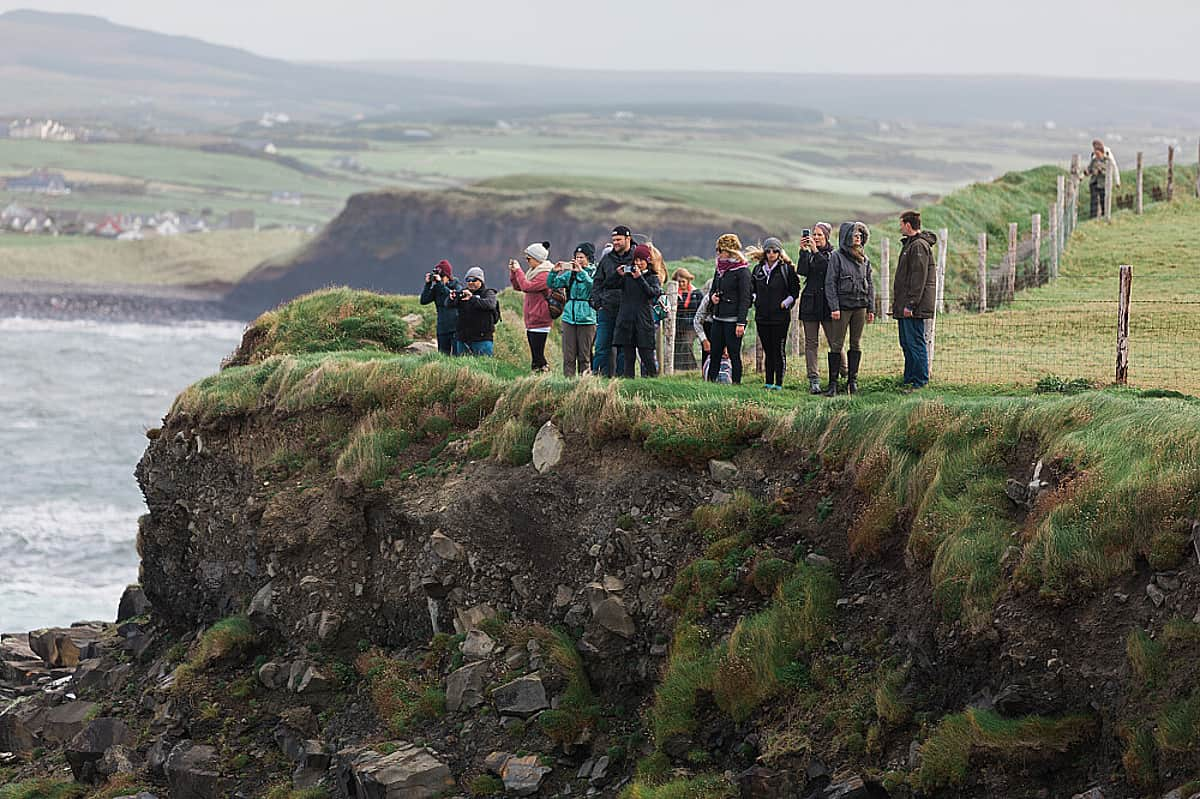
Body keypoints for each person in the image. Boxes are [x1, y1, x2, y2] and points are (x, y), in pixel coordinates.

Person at [824, 222, 875, 395]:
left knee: (856, 343)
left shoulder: (865, 259)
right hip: (842, 308)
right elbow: (830, 283)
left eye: (860, 235)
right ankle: (833, 384)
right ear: (846, 236)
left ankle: (852, 382)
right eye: (855, 234)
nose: (858, 237)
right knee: (836, 344)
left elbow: (871, 284)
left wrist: (871, 308)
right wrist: (834, 307)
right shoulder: (836, 257)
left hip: (860, 307)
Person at [893, 211, 937, 390]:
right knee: (907, 343)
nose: (900, 227)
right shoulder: (911, 244)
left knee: (915, 343)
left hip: (913, 307)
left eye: (901, 224)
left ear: (908, 225)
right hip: (906, 305)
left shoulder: (918, 246)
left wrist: (911, 304)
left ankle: (920, 382)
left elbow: (918, 278)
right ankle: (909, 379)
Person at [751, 237, 800, 390]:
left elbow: (795, 291)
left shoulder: (787, 269)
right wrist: (755, 299)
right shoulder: (758, 270)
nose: (771, 253)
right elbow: (752, 290)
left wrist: (784, 304)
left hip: (780, 317)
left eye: (775, 251)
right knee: (767, 350)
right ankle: (768, 382)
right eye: (768, 251)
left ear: (780, 253)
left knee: (778, 350)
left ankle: (778, 383)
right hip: (762, 317)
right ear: (764, 252)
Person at [797, 222, 838, 394]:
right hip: (810, 303)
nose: (815, 237)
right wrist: (803, 252)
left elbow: (827, 269)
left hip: (828, 304)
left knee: (834, 342)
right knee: (811, 343)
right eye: (814, 234)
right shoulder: (810, 253)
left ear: (827, 236)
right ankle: (813, 379)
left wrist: (815, 251)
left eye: (820, 235)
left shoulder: (833, 254)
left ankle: (842, 373)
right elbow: (802, 271)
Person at [707, 233, 753, 385]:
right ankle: (710, 383)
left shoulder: (742, 271)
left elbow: (745, 298)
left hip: (733, 320)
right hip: (718, 318)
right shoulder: (719, 269)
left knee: (734, 354)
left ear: (730, 251)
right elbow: (713, 289)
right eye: (717, 250)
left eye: (721, 250)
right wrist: (713, 297)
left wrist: (741, 322)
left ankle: (736, 384)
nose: (718, 253)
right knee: (715, 353)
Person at [547, 243, 597, 377]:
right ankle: (568, 383)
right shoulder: (570, 274)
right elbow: (552, 284)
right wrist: (554, 272)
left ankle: (584, 384)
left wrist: (581, 272)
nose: (578, 260)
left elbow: (594, 286)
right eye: (576, 257)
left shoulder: (594, 272)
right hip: (569, 317)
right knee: (568, 356)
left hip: (587, 318)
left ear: (589, 258)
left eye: (581, 257)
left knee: (584, 356)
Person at [591, 226, 635, 377]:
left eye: (618, 240)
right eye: (614, 240)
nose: (615, 243)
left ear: (628, 239)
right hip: (607, 309)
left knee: (624, 348)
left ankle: (623, 380)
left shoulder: (637, 258)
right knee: (601, 346)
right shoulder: (607, 259)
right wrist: (598, 304)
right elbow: (597, 282)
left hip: (628, 309)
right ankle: (596, 379)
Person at [614, 243, 663, 378]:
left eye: (641, 260)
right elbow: (610, 285)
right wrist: (619, 275)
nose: (639, 263)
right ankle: (629, 385)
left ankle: (654, 382)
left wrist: (640, 278)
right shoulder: (627, 277)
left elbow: (652, 293)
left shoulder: (653, 277)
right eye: (636, 260)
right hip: (627, 321)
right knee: (628, 358)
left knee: (647, 357)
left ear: (648, 261)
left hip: (643, 322)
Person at [509, 241, 554, 373]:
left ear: (537, 259)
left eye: (529, 258)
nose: (527, 261)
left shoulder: (545, 274)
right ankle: (539, 378)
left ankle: (544, 376)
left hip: (541, 318)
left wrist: (518, 270)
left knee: (538, 356)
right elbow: (518, 286)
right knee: (535, 355)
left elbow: (526, 286)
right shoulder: (534, 272)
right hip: (532, 318)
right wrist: (513, 272)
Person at [447, 266, 499, 356]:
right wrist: (451, 299)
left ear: (481, 281)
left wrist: (472, 298)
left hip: (482, 339)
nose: (470, 282)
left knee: (484, 367)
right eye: (468, 280)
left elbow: (490, 304)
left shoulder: (488, 293)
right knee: (463, 368)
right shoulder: (463, 293)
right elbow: (448, 305)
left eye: (474, 280)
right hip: (463, 339)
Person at [419, 259, 461, 355]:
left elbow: (452, 296)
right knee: (443, 357)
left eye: (442, 276)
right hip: (442, 329)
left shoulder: (456, 287)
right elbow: (423, 300)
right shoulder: (437, 288)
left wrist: (440, 284)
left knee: (457, 358)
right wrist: (428, 284)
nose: (440, 278)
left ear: (448, 276)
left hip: (455, 329)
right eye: (439, 276)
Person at [673, 267, 704, 371]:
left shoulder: (697, 293)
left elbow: (703, 309)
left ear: (688, 280)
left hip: (692, 326)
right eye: (678, 282)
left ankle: (692, 368)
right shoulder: (673, 294)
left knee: (686, 343)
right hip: (678, 325)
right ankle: (677, 369)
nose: (681, 284)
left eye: (683, 282)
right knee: (677, 347)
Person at [1085, 139, 1120, 219]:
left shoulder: (1108, 160)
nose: (1096, 154)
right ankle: (1092, 218)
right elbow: (1089, 168)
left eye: (1097, 153)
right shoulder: (1094, 159)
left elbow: (1111, 170)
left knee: (1103, 201)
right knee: (1093, 202)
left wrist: (1101, 171)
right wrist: (1086, 172)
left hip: (1103, 184)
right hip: (1094, 183)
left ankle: (1105, 217)